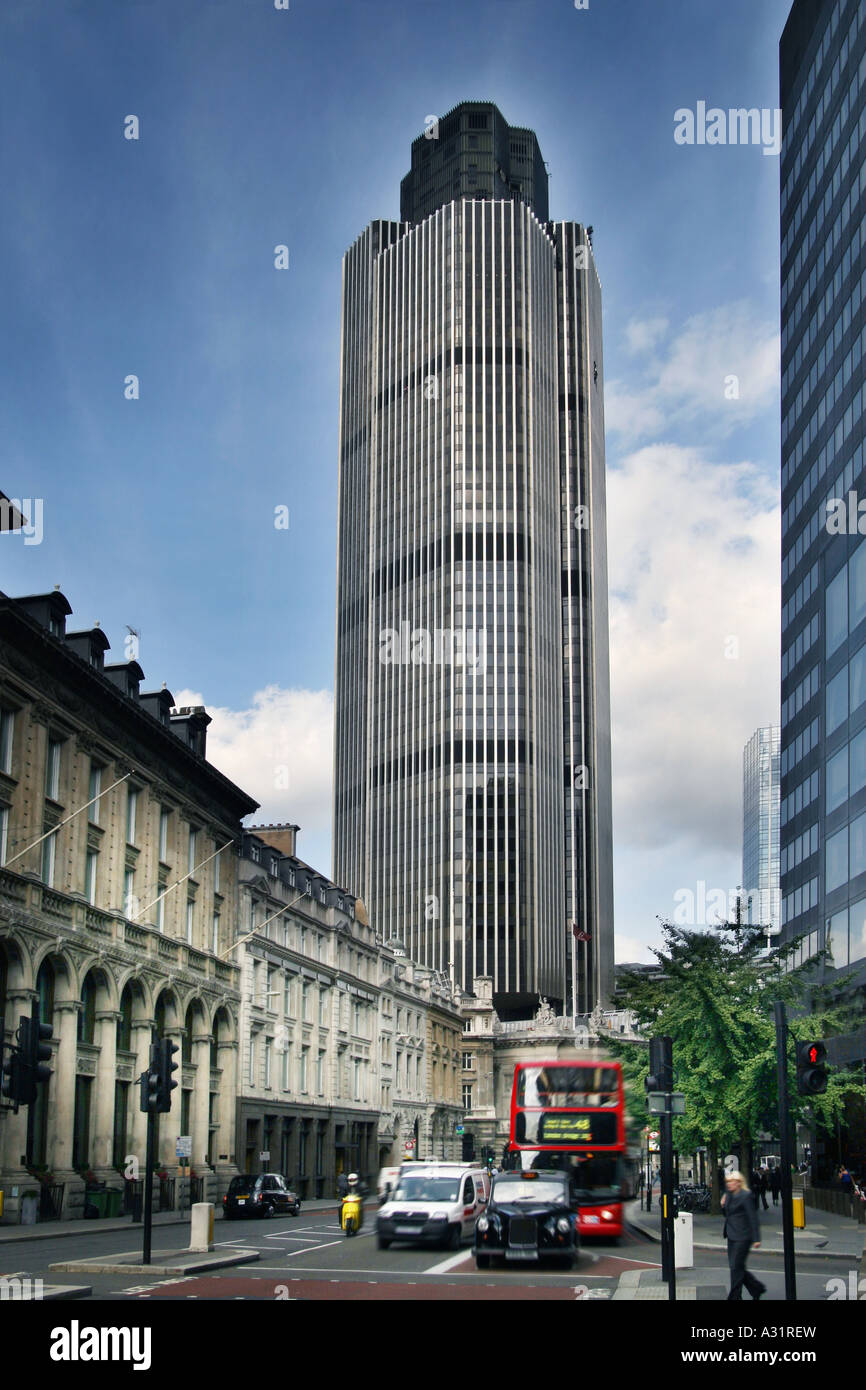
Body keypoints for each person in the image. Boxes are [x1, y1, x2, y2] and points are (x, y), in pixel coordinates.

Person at [722, 1171, 766, 1301]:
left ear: (739, 1183)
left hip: (743, 1236)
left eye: (731, 1182)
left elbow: (753, 1217)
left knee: (736, 1266)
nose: (729, 1184)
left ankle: (735, 1297)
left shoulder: (746, 1196)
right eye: (728, 1182)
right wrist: (723, 1205)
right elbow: (727, 1214)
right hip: (731, 1234)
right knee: (736, 1267)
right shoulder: (729, 1195)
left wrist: (756, 1238)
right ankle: (756, 1288)